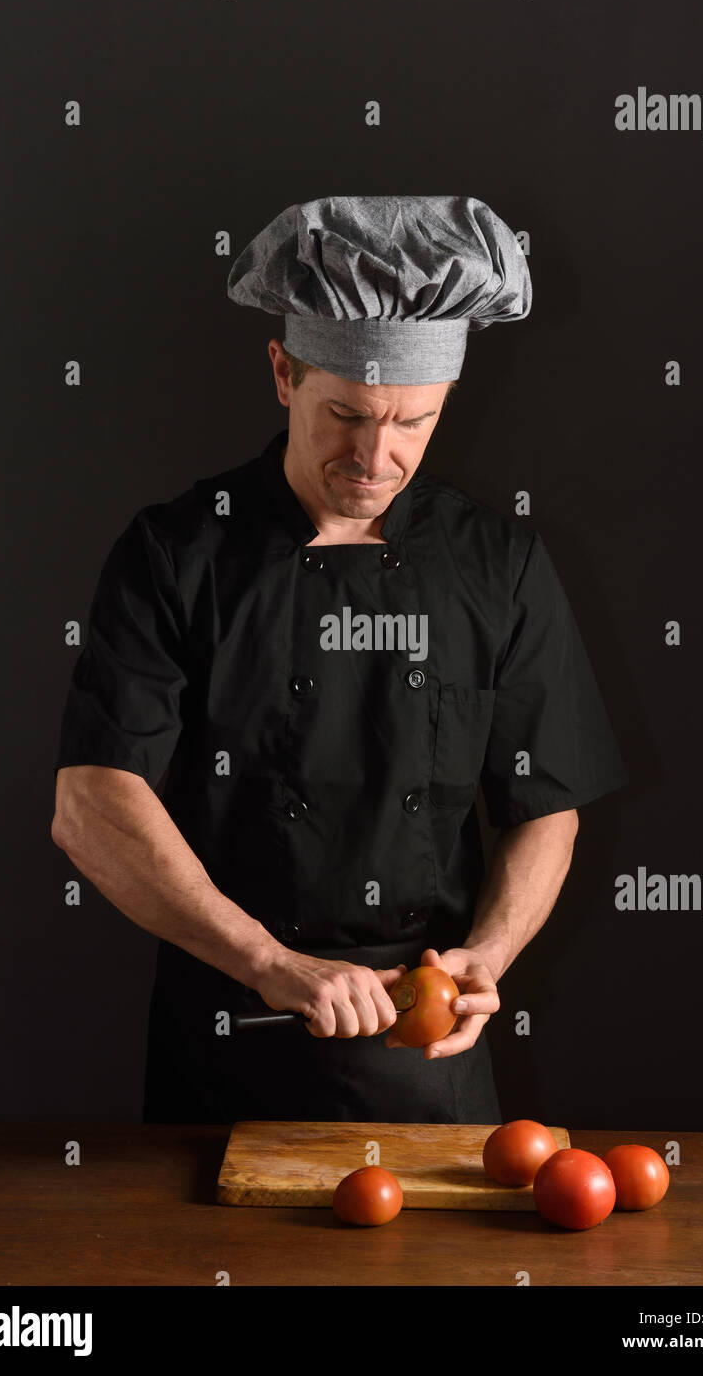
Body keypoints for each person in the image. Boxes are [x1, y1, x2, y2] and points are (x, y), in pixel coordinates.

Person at [51, 195, 628, 1125]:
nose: (377, 456)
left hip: (427, 1045)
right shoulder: (178, 554)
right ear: (283, 373)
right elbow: (90, 804)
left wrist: (488, 955)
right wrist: (270, 962)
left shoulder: (499, 563)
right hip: (234, 1033)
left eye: (412, 423)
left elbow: (546, 801)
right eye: (348, 415)